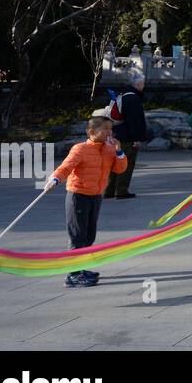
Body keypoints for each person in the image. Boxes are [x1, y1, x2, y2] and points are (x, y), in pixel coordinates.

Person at [48, 116, 127, 287]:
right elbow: (66, 167)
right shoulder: (80, 149)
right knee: (78, 236)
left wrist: (119, 151)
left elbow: (120, 169)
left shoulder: (109, 149)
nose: (109, 132)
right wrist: (55, 178)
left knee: (89, 235)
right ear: (92, 132)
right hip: (78, 195)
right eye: (105, 128)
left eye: (110, 129)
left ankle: (81, 268)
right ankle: (73, 275)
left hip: (96, 195)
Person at [104, 73, 148, 198]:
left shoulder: (122, 95)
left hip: (115, 135)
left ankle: (108, 190)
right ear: (138, 84)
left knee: (113, 163)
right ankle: (121, 190)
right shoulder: (133, 99)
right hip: (127, 138)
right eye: (143, 84)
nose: (143, 86)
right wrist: (137, 139)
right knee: (126, 163)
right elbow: (134, 121)